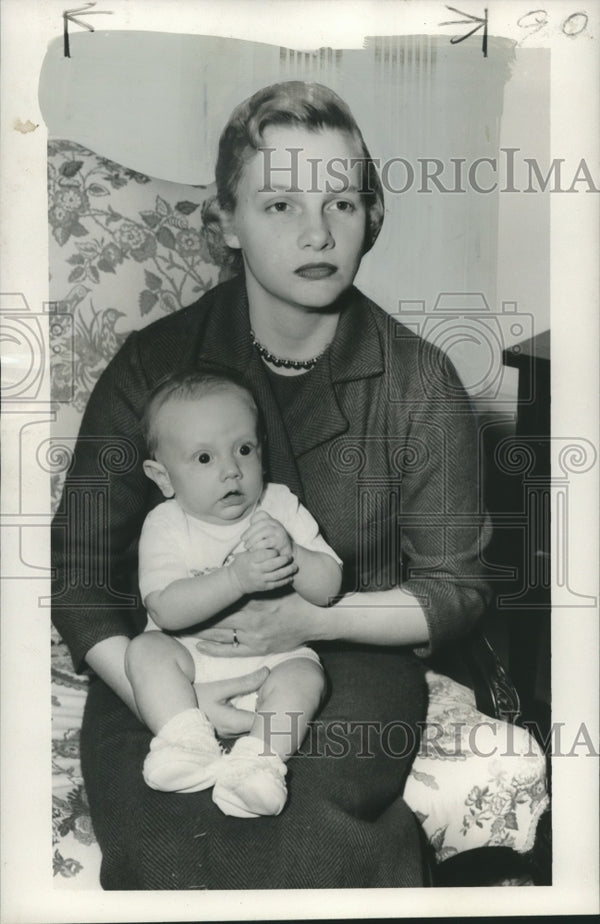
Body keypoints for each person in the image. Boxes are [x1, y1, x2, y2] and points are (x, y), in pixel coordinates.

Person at [52, 80, 491, 889]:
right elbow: (81, 580)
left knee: (304, 835)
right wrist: (175, 707)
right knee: (163, 844)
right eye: (280, 205)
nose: (317, 232)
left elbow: (456, 590)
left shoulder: (418, 382)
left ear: (373, 218)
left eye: (343, 205)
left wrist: (306, 613)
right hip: (173, 665)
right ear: (227, 220)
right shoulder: (154, 364)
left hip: (345, 662)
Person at [126, 370, 342, 817]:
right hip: (191, 664)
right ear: (163, 477)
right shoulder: (166, 524)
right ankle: (185, 740)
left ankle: (258, 765)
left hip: (274, 660)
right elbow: (164, 609)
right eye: (203, 458)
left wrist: (295, 553)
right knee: (145, 651)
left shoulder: (279, 505)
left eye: (244, 449)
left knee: (306, 678)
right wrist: (235, 580)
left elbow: (329, 590)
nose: (231, 470)